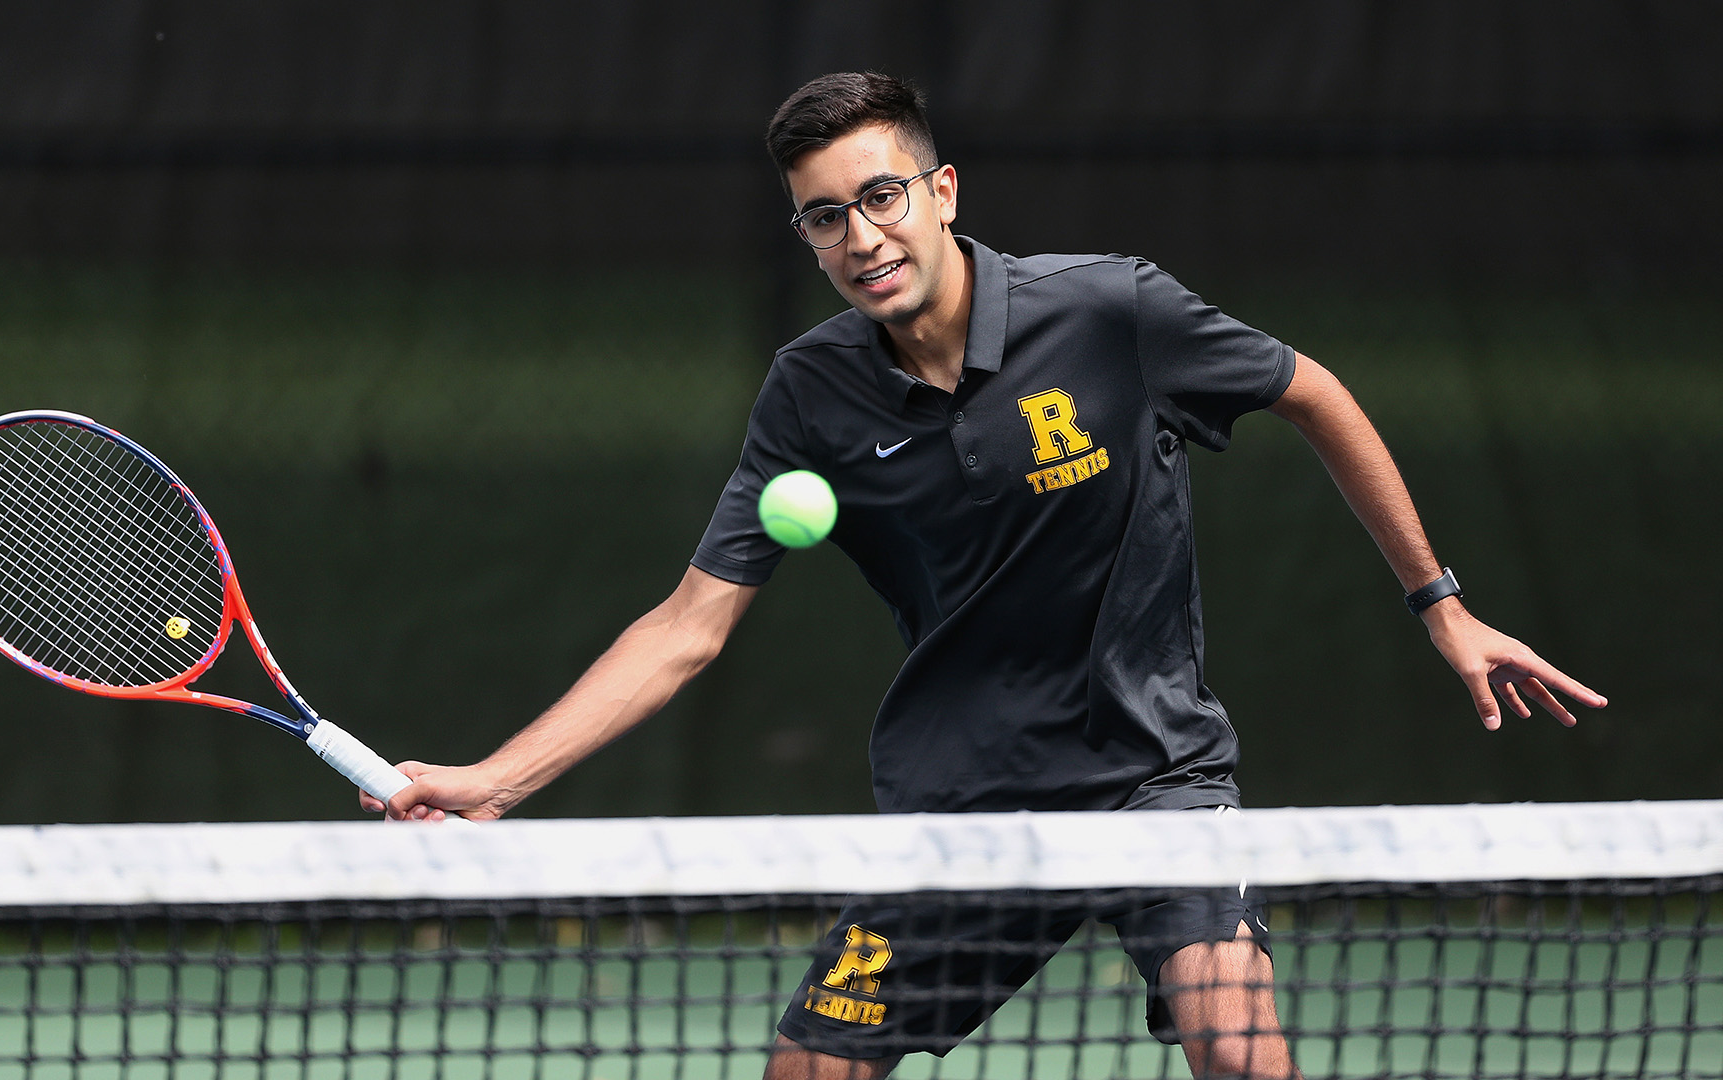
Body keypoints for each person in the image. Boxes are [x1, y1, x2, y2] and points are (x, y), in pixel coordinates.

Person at [362, 72, 1605, 1079]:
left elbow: (1315, 395)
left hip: (1153, 781)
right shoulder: (811, 393)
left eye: (882, 195)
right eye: (824, 215)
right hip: (965, 810)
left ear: (942, 190)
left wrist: (1440, 603)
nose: (862, 236)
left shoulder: (1113, 313)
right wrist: (495, 778)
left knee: (1239, 1049)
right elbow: (690, 625)